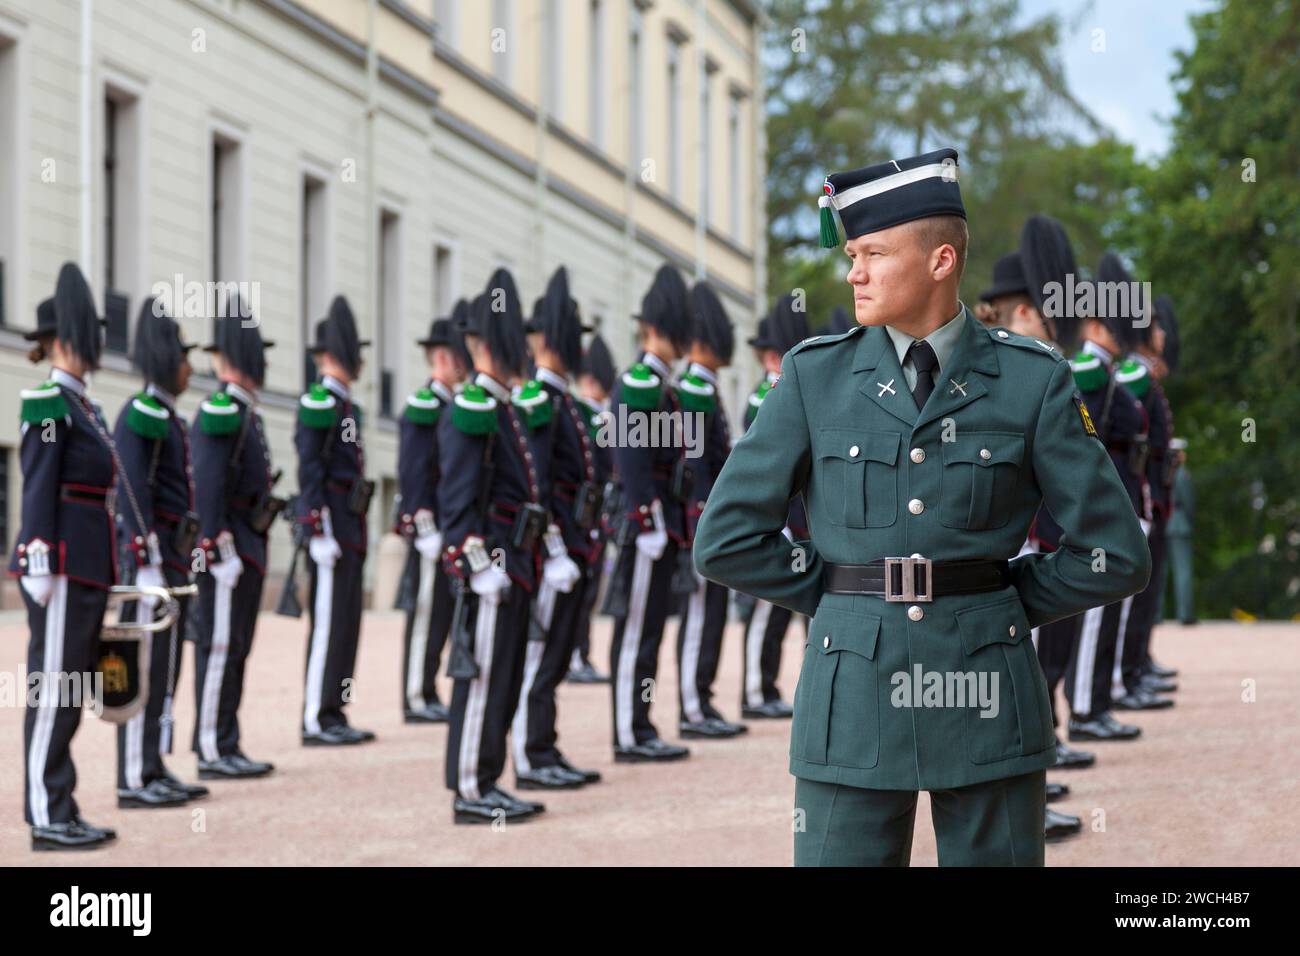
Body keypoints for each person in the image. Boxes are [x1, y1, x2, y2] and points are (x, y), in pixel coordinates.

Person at [694, 147, 1151, 866]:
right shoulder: (816, 376)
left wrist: (998, 600)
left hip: (987, 697)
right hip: (852, 701)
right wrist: (846, 596)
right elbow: (723, 540)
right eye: (851, 253)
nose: (854, 272)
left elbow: (1116, 554)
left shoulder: (1031, 381)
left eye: (873, 252)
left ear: (940, 261)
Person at [12, 263, 118, 850]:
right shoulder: (49, 403)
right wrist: (39, 555)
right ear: (62, 339)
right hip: (62, 564)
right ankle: (46, 815)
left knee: (73, 689)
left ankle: (62, 802)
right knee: (54, 687)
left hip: (87, 563)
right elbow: (38, 483)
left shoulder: (85, 408)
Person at [439, 270, 548, 823]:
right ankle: (469, 789)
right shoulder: (474, 405)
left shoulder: (504, 406)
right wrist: (478, 566)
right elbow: (457, 506)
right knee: (481, 679)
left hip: (517, 566)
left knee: (502, 677)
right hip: (492, 572)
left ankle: (488, 776)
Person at [112, 299, 208, 807]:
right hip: (151, 562)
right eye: (184, 356)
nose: (190, 367)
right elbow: (131, 492)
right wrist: (143, 554)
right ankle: (132, 776)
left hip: (173, 560)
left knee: (165, 670)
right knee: (142, 668)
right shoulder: (143, 414)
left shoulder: (168, 416)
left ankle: (154, 763)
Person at [510, 266, 603, 789]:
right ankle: (529, 755)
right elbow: (536, 487)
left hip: (575, 544)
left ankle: (545, 745)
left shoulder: (566, 402)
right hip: (554, 553)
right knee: (539, 657)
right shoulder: (540, 403)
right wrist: (553, 549)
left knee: (557, 656)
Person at [606, 265, 694, 763]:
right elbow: (631, 459)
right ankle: (627, 731)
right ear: (656, 330)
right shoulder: (639, 384)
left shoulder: (666, 388)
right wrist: (646, 518)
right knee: (637, 630)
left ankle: (640, 723)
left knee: (653, 630)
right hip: (647, 527)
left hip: (666, 523)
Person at [190, 301, 279, 778]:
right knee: (219, 646)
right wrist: (215, 543)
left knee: (236, 646)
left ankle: (226, 738)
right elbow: (205, 486)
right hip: (228, 552)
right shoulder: (221, 410)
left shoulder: (245, 412)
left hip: (247, 547)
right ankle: (210, 746)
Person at [297, 296, 376, 746]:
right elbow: (311, 470)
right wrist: (317, 527)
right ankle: (315, 716)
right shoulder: (320, 401)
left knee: (347, 623)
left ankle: (335, 708)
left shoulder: (346, 405)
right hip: (331, 528)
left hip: (351, 527)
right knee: (328, 625)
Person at [675, 281, 746, 739]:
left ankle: (701, 697)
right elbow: (694, 463)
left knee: (713, 614)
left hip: (711, 519)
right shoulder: (692, 390)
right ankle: (691, 706)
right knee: (700, 616)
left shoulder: (705, 388)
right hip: (699, 520)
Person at [395, 305, 469, 724]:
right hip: (431, 528)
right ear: (441, 358)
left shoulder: (450, 405)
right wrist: (421, 523)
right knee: (425, 612)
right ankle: (415, 695)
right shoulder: (424, 406)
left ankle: (427, 687)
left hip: (448, 527)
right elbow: (413, 473)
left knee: (439, 611)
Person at [739, 298, 810, 720]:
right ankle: (753, 692)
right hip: (780, 523)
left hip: (800, 525)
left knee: (782, 617)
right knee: (765, 614)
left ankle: (767, 687)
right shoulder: (765, 396)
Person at [567, 334, 616, 685]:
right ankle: (572, 653)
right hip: (581, 516)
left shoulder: (598, 417)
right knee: (578, 592)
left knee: (590, 590)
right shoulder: (584, 415)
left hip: (597, 514)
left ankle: (580, 651)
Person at [1164, 438, 1196, 624]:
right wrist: (1190, 522)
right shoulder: (1182, 474)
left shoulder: (1163, 472)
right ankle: (1185, 614)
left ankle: (1155, 615)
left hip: (1164, 523)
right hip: (1179, 523)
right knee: (1183, 571)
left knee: (1158, 572)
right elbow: (1188, 502)